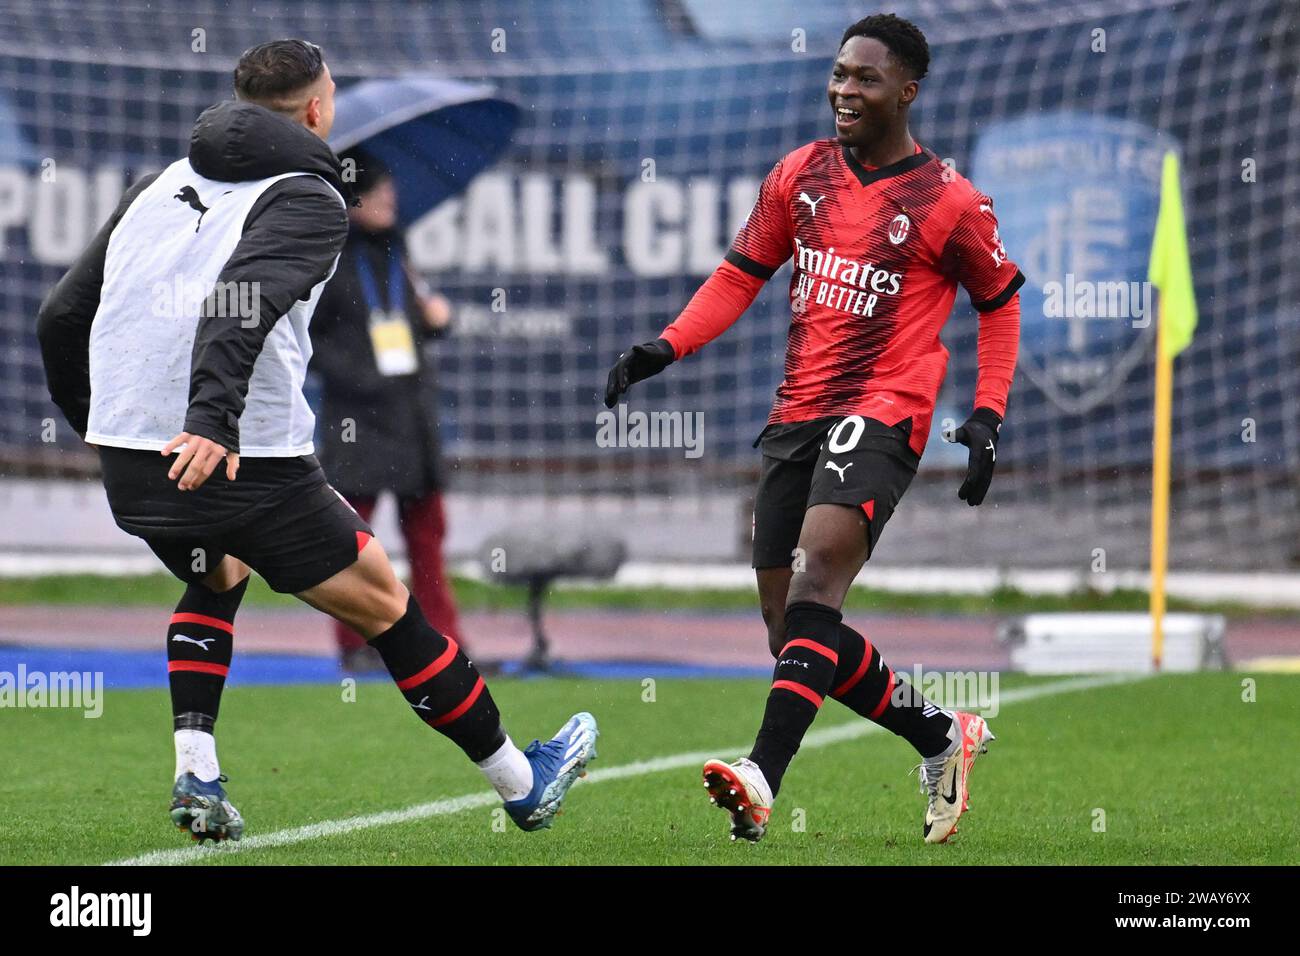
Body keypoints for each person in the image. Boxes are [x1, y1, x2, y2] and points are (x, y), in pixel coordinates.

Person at [37, 38, 595, 844]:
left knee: (218, 573)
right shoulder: (312, 195)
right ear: (319, 110)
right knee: (390, 610)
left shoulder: (154, 184)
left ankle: (196, 769)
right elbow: (240, 304)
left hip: (136, 465)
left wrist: (100, 429)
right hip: (241, 457)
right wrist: (211, 423)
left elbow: (61, 315)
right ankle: (522, 780)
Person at [605, 14, 1020, 845]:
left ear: (907, 90)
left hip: (886, 408)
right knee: (789, 628)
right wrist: (666, 345)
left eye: (865, 78)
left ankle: (760, 778)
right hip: (798, 412)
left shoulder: (949, 201)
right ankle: (940, 733)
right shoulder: (800, 174)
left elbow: (1000, 302)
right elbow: (739, 274)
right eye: (838, 74)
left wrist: (986, 414)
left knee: (818, 578)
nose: (843, 90)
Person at [309, 149, 466, 674]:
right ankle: (358, 647)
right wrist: (365, 378)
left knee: (428, 537)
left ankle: (446, 648)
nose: (389, 201)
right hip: (358, 422)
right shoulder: (326, 256)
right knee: (351, 540)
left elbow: (415, 323)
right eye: (377, 194)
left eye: (390, 192)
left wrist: (436, 319)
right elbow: (311, 340)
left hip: (412, 420)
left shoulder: (400, 251)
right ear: (352, 200)